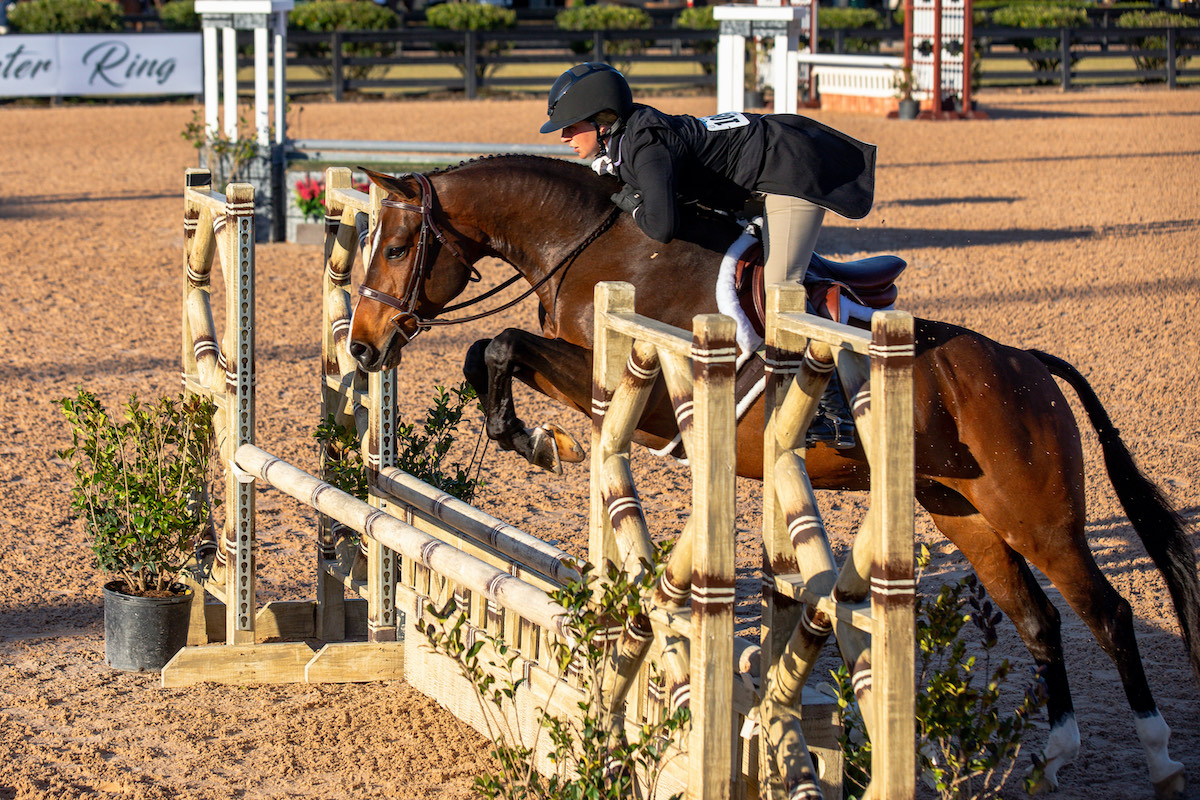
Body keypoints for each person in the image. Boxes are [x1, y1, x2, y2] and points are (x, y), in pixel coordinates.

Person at [540, 62, 874, 448]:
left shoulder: (646, 145)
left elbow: (662, 226)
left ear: (603, 120)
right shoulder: (628, 140)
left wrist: (632, 203)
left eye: (571, 125)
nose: (564, 136)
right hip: (752, 179)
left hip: (788, 172)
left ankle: (836, 410)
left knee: (783, 288)